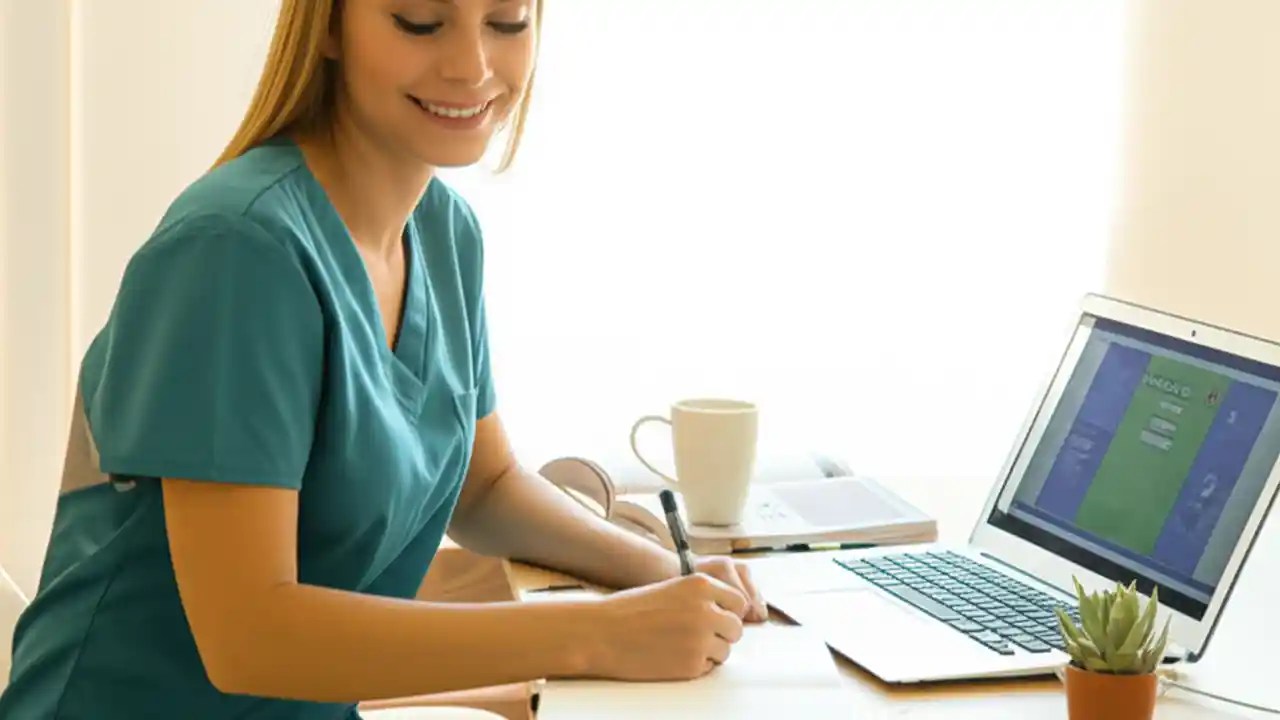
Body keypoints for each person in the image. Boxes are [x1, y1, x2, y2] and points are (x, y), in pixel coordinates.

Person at [0, 1, 766, 717]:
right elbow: (249, 637)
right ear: (329, 27)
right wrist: (597, 632)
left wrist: (664, 572)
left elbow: (485, 485)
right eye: (419, 21)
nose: (472, 65)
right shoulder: (238, 251)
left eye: (506, 21)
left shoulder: (443, 231)